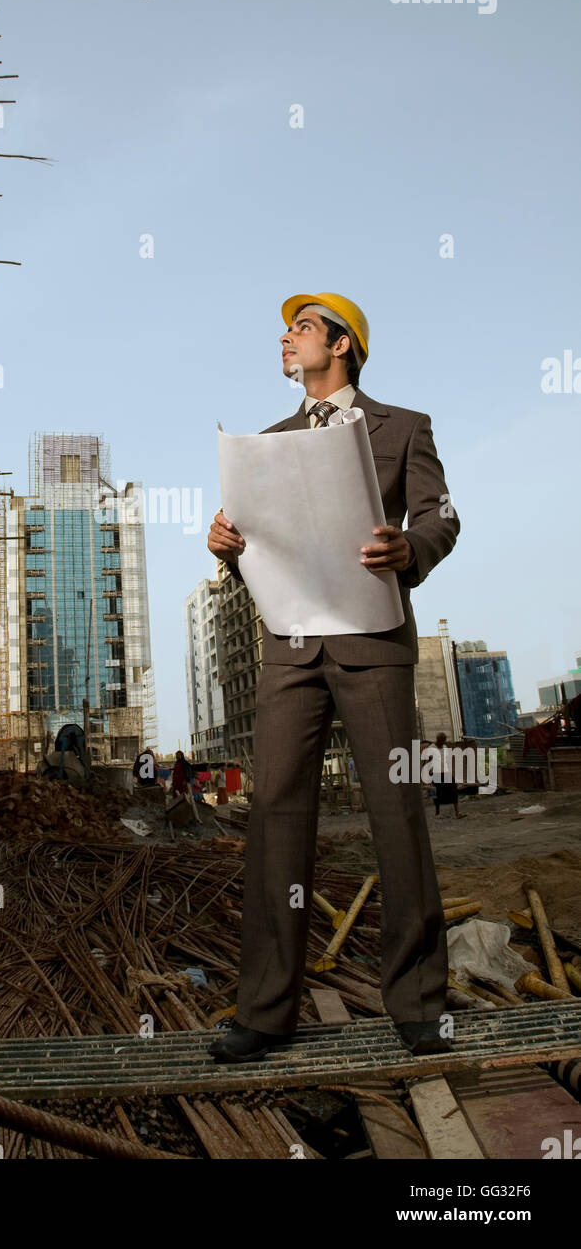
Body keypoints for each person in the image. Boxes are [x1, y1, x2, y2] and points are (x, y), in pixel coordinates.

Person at [207, 291, 460, 1063]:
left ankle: (419, 1005)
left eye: (304, 328)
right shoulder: (270, 442)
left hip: (373, 642)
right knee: (275, 820)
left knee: (398, 818)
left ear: (342, 345)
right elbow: (260, 544)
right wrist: (225, 542)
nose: (288, 338)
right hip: (290, 650)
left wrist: (409, 548)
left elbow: (441, 515)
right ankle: (265, 1011)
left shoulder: (402, 428)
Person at [432, 733, 465, 820]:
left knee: (453, 789)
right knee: (437, 792)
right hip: (436, 773)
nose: (443, 743)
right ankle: (437, 813)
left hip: (445, 772)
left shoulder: (445, 747)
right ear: (438, 740)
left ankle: (457, 813)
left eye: (444, 741)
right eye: (441, 741)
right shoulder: (431, 748)